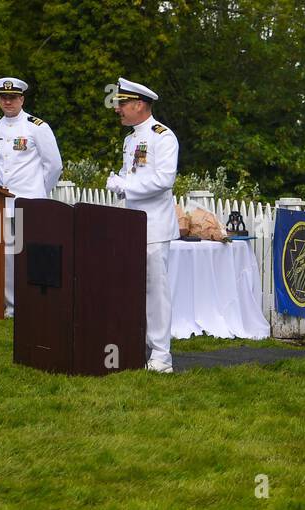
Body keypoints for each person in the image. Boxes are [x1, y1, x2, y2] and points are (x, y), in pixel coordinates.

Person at [106, 78, 179, 373]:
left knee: (156, 293)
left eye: (122, 104)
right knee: (133, 289)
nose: (118, 109)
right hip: (133, 225)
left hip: (155, 227)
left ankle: (162, 356)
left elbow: (164, 180)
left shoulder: (163, 137)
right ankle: (137, 344)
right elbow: (132, 172)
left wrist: (127, 185)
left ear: (139, 104)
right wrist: (122, 181)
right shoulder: (131, 139)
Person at [0, 77, 63, 318]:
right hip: (5, 201)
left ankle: (38, 301)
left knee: (33, 254)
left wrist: (39, 192)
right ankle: (12, 306)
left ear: (22, 98)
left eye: (13, 97)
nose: (8, 101)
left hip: (31, 200)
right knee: (9, 256)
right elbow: (0, 164)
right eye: (3, 97)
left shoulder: (36, 127)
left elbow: (54, 165)